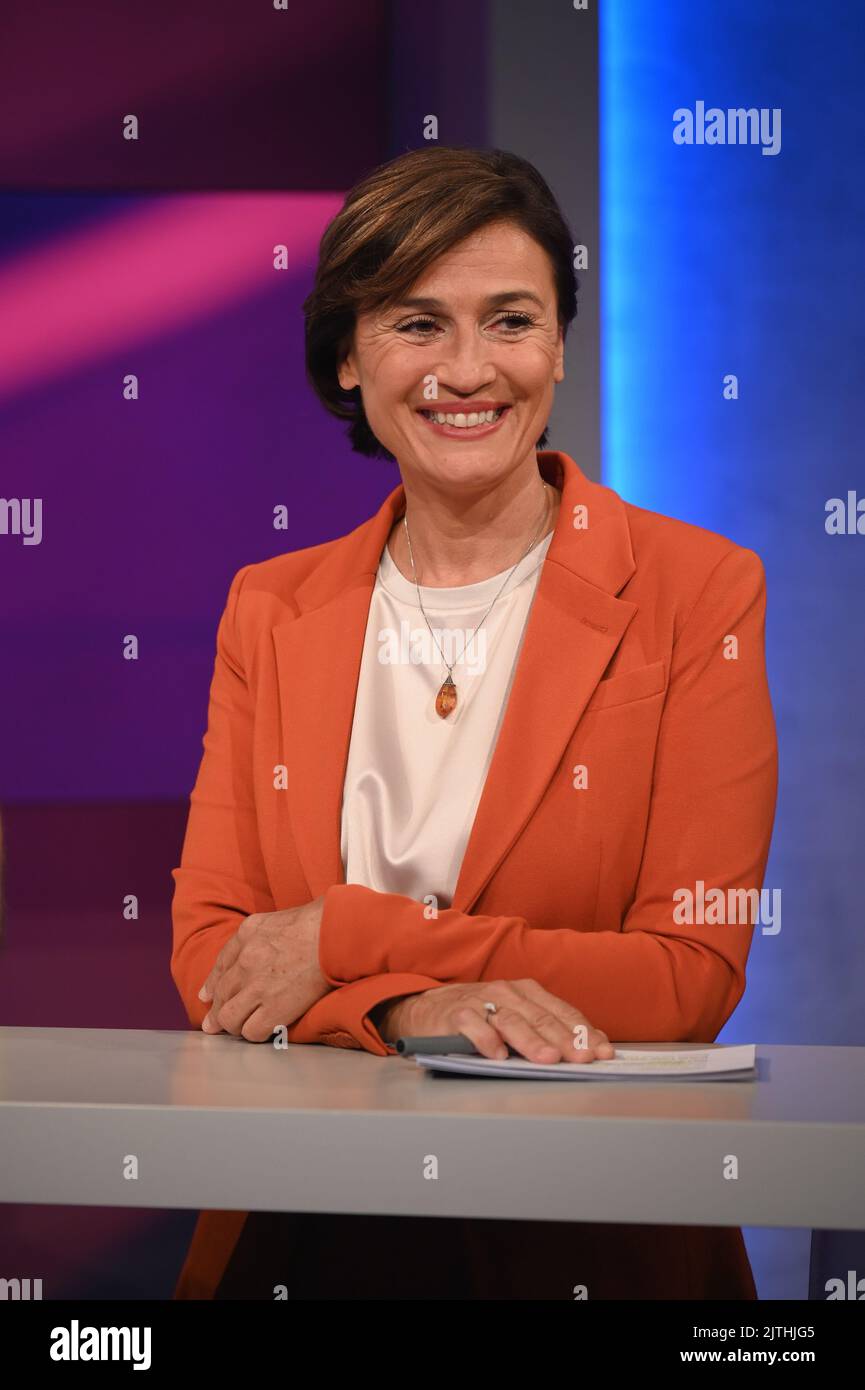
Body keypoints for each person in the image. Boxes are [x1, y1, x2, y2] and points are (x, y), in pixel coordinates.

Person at [171, 146, 777, 1299]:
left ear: (557, 345)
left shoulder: (699, 592)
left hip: (591, 1230)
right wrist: (413, 1003)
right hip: (305, 1224)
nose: (467, 369)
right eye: (415, 323)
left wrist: (347, 939)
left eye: (509, 320)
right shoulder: (272, 603)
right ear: (348, 357)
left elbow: (686, 978)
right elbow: (216, 956)